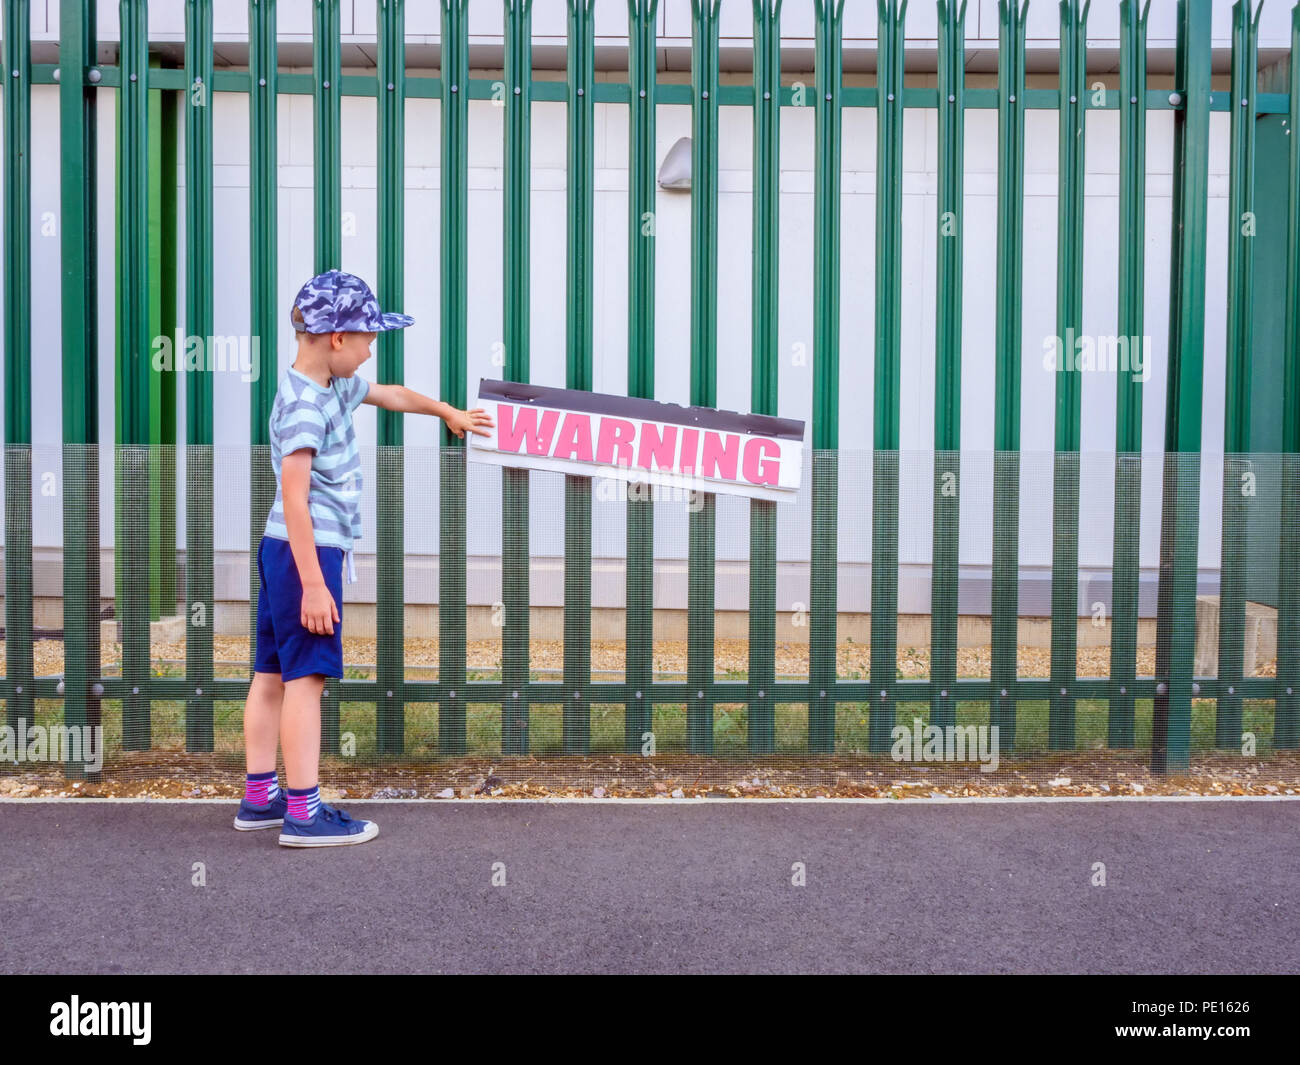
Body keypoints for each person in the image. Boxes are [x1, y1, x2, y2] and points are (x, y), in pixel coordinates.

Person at [232, 269, 493, 846]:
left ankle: (260, 799)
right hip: (308, 553)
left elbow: (392, 394)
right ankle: (303, 813)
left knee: (272, 672)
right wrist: (315, 586)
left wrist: (446, 410)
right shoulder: (305, 406)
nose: (371, 350)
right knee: (308, 679)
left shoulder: (329, 386)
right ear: (334, 338)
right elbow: (295, 499)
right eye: (367, 339)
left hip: (284, 552)